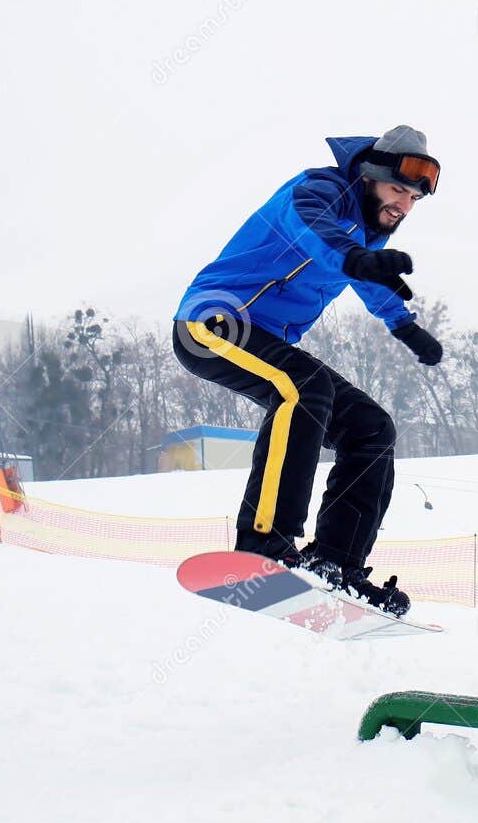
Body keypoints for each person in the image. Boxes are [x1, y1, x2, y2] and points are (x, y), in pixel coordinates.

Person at [171, 125, 445, 615]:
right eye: (398, 190)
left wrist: (404, 327)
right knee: (305, 386)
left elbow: (368, 275)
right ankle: (263, 544)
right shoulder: (320, 190)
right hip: (213, 321)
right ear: (370, 177)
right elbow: (316, 230)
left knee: (373, 428)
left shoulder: (364, 233)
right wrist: (356, 257)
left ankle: (335, 563)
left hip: (266, 339)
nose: (404, 205)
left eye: (413, 199)